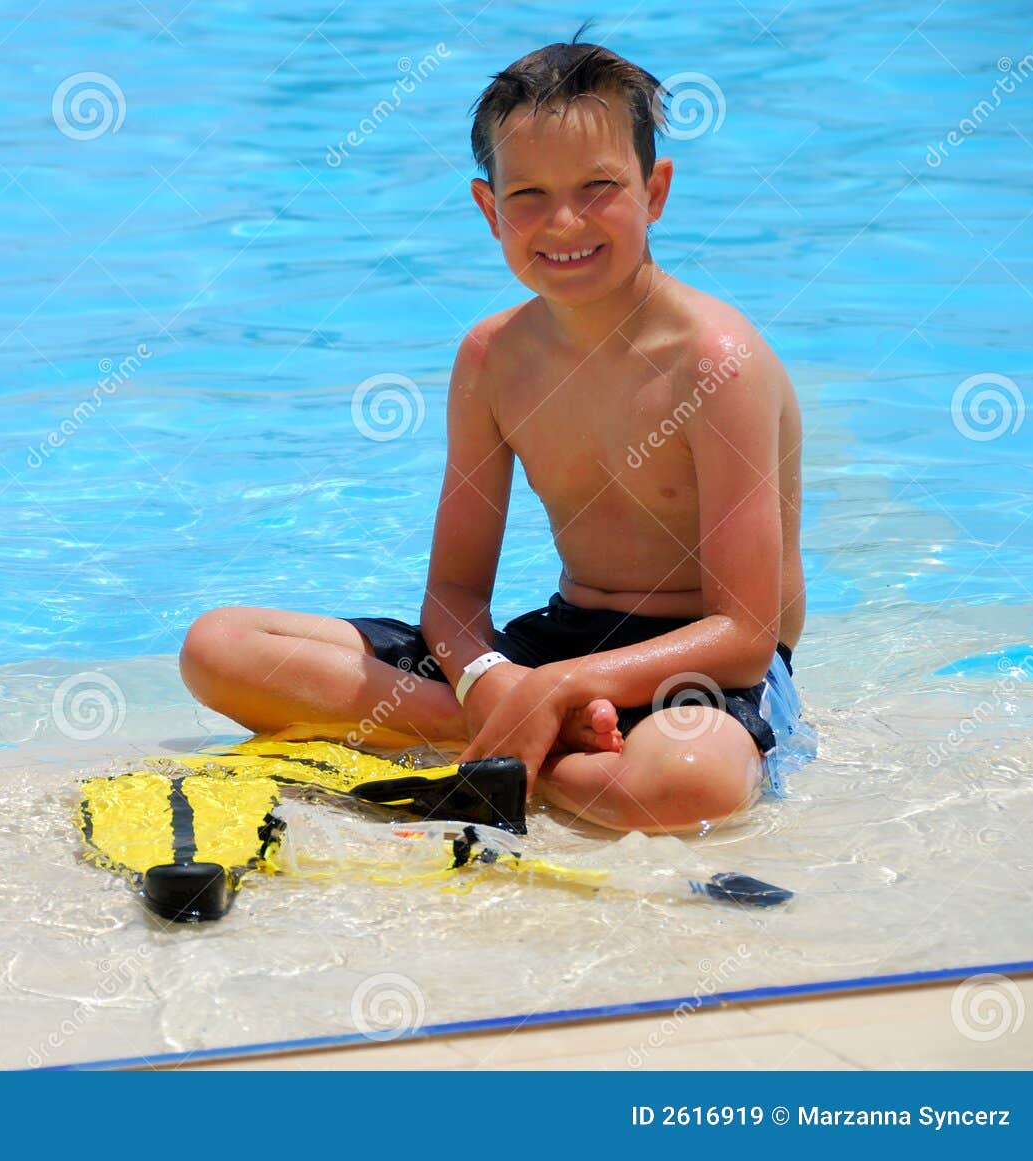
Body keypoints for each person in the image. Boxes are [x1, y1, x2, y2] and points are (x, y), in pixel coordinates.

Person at [179, 37, 814, 834]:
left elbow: (748, 637)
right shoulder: (492, 357)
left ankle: (502, 751)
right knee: (220, 646)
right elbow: (453, 594)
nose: (564, 221)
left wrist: (552, 688)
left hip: (698, 665)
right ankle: (503, 738)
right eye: (530, 195)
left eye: (599, 187)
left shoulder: (718, 363)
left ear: (656, 191)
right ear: (489, 210)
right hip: (550, 647)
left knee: (689, 785)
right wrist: (490, 681)